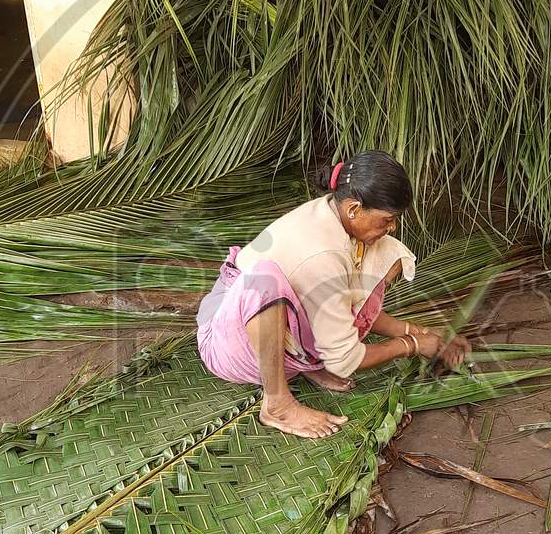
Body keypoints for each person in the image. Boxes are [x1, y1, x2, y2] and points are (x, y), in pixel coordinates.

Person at [197, 151, 470, 439]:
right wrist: (411, 343)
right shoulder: (324, 253)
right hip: (225, 339)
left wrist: (419, 330)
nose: (393, 227)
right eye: (388, 219)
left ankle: (307, 360)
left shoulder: (336, 213)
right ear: (354, 209)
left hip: (269, 324)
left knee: (383, 252)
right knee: (265, 280)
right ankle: (277, 403)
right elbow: (347, 360)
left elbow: (348, 301)